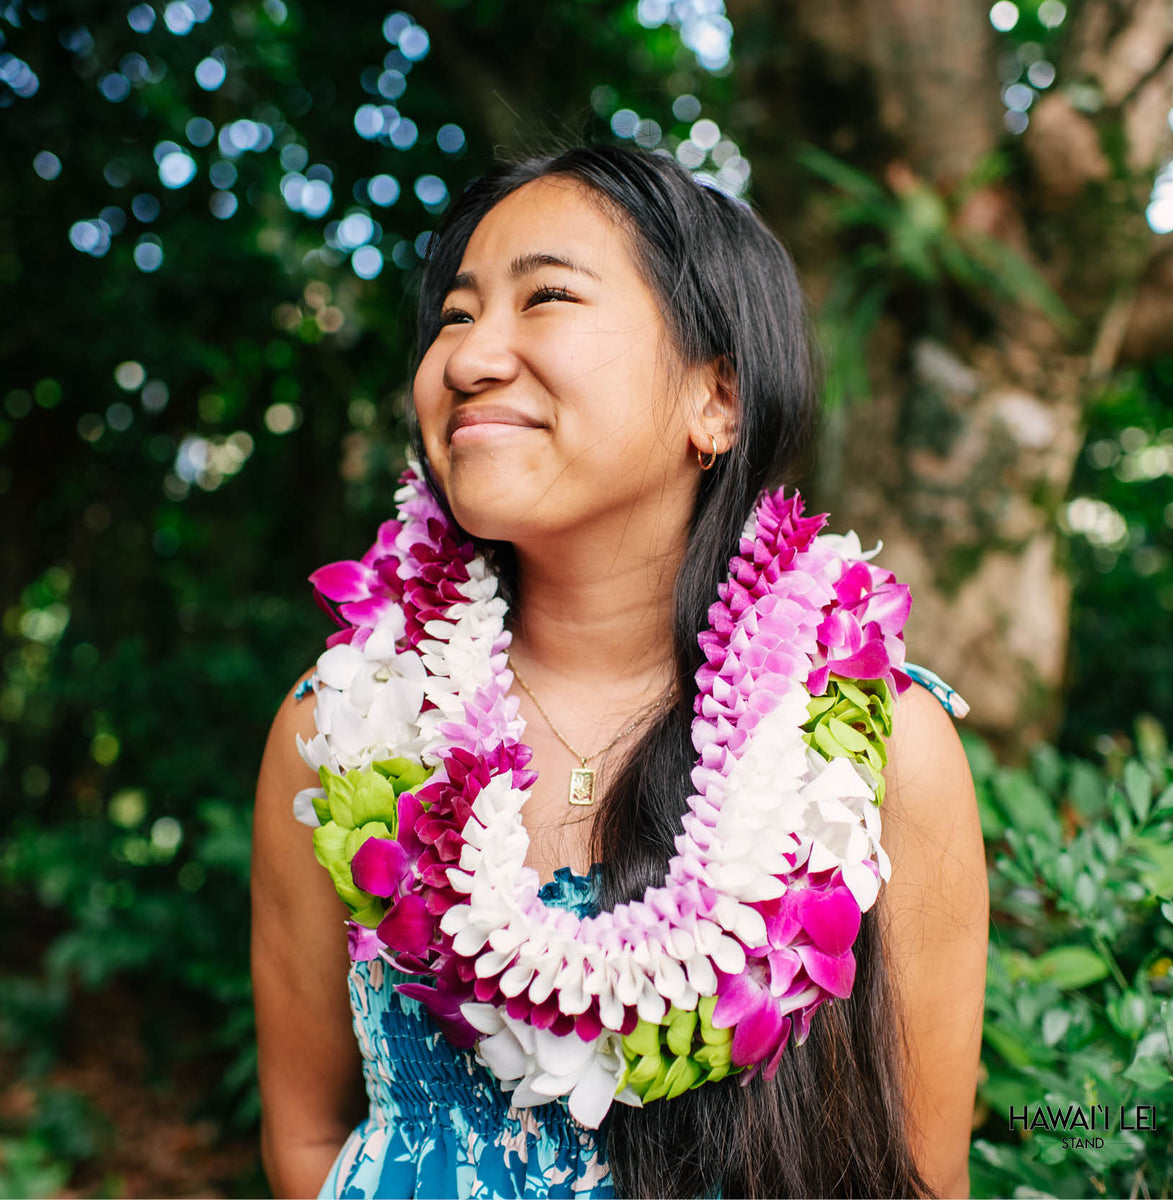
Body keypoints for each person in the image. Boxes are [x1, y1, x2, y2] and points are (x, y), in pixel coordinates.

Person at [252, 144, 988, 1199]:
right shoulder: (337, 730)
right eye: (455, 316)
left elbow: (922, 1174)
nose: (466, 360)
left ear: (717, 401)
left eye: (545, 297)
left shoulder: (881, 751)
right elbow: (309, 1140)